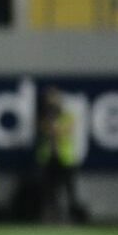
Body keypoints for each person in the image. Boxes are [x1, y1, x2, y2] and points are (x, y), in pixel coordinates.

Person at [37, 86, 87, 224]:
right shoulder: (45, 114)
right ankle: (51, 217)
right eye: (49, 98)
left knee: (70, 190)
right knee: (49, 191)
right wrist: (53, 128)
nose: (52, 101)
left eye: (54, 98)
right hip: (49, 158)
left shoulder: (67, 115)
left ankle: (73, 217)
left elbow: (66, 130)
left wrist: (54, 128)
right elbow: (44, 129)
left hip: (66, 159)